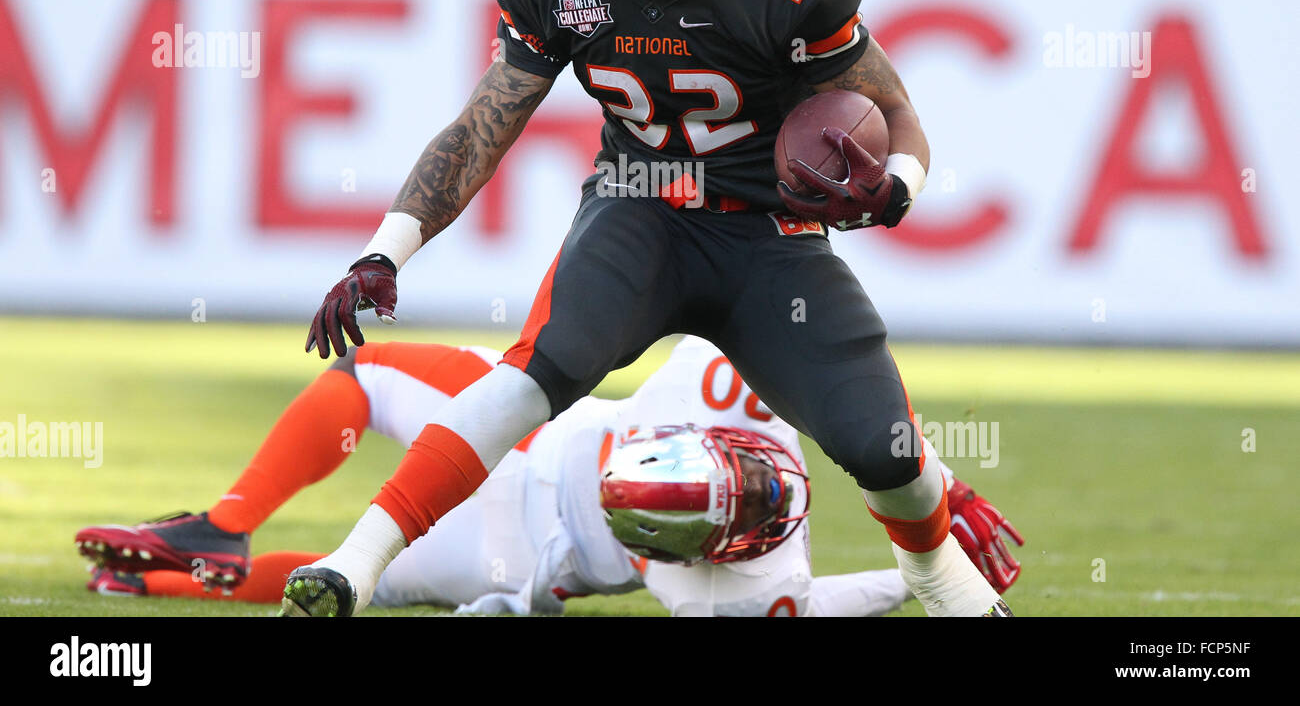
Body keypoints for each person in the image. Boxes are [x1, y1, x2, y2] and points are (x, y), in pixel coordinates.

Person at [293, 0, 1011, 618]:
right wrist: (387, 246)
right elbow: (486, 124)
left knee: (882, 447)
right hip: (639, 207)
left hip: (765, 236)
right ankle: (354, 561)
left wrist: (896, 188)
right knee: (531, 376)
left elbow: (897, 114)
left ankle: (941, 586)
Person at [77, 337, 1023, 616]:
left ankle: (216, 530)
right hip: (502, 569)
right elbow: (848, 354)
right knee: (344, 577)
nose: (775, 487)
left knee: (361, 381)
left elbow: (847, 350)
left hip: (525, 444)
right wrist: (924, 540)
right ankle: (153, 577)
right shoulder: (726, 591)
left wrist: (932, 506)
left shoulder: (702, 383)